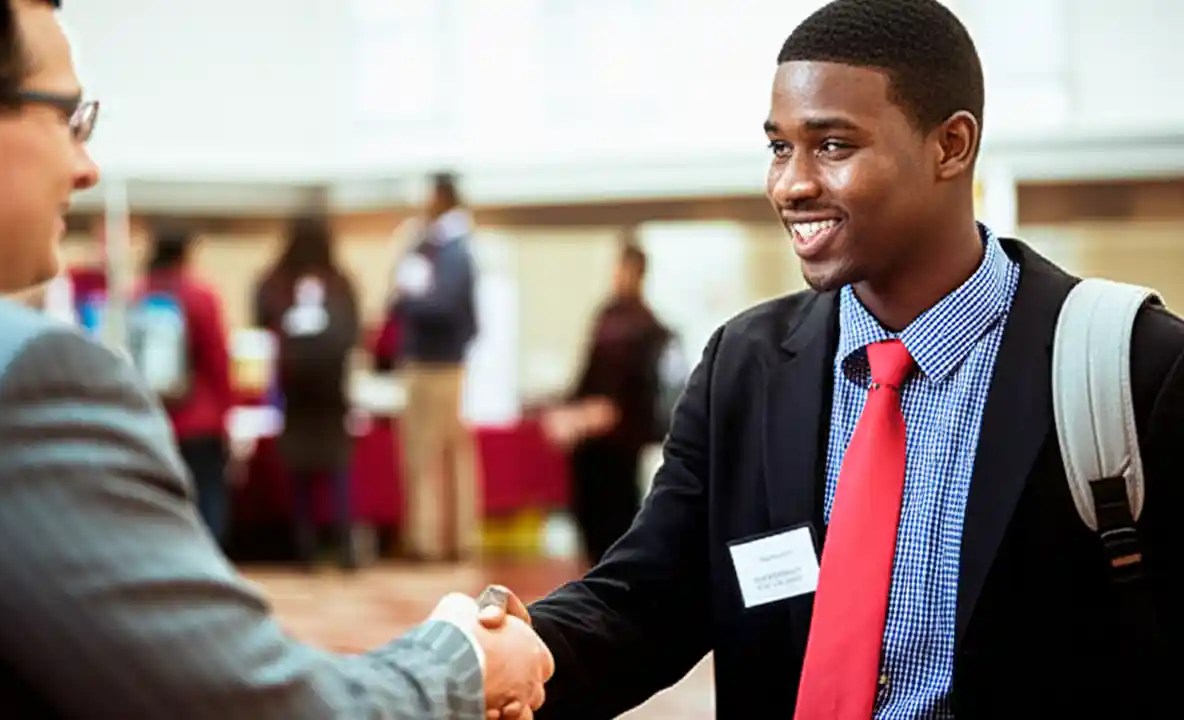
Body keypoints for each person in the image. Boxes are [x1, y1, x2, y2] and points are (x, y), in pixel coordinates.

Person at [486, 1, 1184, 717]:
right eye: (779, 148)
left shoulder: (1135, 368)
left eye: (833, 146)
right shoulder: (744, 368)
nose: (791, 185)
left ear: (950, 146)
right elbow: (650, 598)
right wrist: (517, 653)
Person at [0, 2, 552, 717]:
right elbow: (245, 702)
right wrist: (459, 657)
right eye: (70, 119)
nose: (86, 166)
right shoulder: (21, 382)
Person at [545, 242, 671, 566]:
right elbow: (587, 374)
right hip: (592, 439)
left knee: (617, 517)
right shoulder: (607, 315)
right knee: (588, 512)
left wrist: (608, 413)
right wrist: (572, 410)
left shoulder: (646, 325)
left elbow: (643, 389)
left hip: (620, 439)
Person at [255, 215, 361, 568]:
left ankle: (305, 546)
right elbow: (353, 332)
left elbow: (260, 319)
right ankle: (344, 545)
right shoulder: (341, 284)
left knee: (300, 475)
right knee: (337, 472)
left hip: (294, 390)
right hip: (332, 393)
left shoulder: (275, 283)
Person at [391, 172, 481, 562]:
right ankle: (440, 537)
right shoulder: (431, 243)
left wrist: (405, 302)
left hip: (438, 365)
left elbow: (442, 305)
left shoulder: (452, 249)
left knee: (433, 453)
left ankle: (435, 540)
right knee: (434, 453)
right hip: (435, 361)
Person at [133, 226, 235, 547]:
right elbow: (218, 361)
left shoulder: (137, 295)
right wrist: (226, 413)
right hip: (201, 421)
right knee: (206, 502)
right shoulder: (200, 296)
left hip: (150, 418)